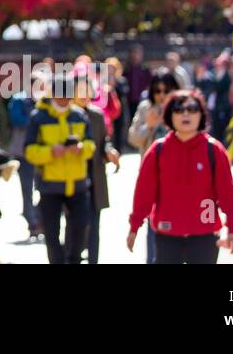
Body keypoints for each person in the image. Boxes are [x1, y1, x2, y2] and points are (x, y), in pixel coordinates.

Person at [127, 90, 233, 263]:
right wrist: (134, 227)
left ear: (201, 115)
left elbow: (227, 194)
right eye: (178, 109)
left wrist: (232, 228)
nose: (185, 114)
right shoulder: (158, 151)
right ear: (169, 115)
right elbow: (144, 193)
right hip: (167, 234)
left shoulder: (214, 150)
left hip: (205, 234)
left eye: (192, 109)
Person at [24, 70, 95, 264]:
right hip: (50, 184)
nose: (64, 101)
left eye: (68, 97)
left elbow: (91, 145)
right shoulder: (38, 117)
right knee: (51, 232)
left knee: (80, 227)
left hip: (78, 183)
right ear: (52, 94)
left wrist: (81, 148)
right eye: (60, 97)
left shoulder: (79, 115)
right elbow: (29, 151)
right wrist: (50, 152)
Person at [127, 69, 180, 263]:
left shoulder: (183, 109)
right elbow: (133, 138)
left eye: (166, 90)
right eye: (158, 91)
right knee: (153, 222)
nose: (162, 95)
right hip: (153, 175)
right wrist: (148, 125)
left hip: (180, 176)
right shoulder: (145, 108)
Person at [75, 72, 120, 264]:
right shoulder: (67, 115)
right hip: (72, 178)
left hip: (94, 177)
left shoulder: (97, 114)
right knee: (75, 227)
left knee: (94, 226)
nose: (84, 94)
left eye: (87, 90)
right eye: (80, 90)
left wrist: (110, 151)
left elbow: (104, 142)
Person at [5, 70, 44, 237]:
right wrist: (35, 120)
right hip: (23, 151)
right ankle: (32, 221)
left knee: (43, 187)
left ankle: (40, 217)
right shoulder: (19, 100)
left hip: (42, 151)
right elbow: (16, 120)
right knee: (27, 188)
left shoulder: (44, 101)